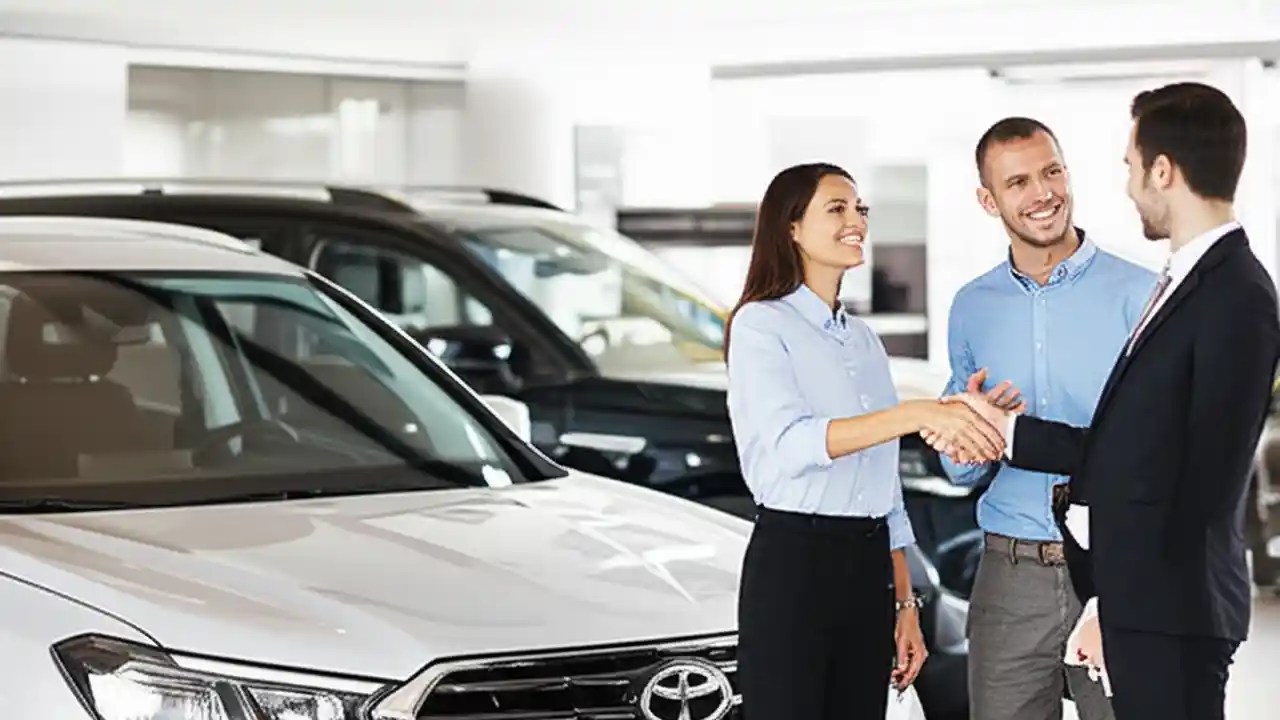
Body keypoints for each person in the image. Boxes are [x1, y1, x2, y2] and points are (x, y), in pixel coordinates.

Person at [952, 82, 1280, 720]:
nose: (1127, 186)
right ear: (990, 199)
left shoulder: (1230, 292)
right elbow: (1134, 448)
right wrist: (1004, 431)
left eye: (1130, 168)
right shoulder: (1191, 281)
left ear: (1163, 171)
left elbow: (1199, 482)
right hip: (1120, 596)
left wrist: (1108, 600)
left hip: (1161, 605)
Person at [724, 162, 1007, 720]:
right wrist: (916, 413)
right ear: (792, 228)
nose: (856, 220)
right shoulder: (760, 326)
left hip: (868, 565)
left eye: (860, 210)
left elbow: (884, 487)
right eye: (837, 209)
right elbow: (791, 444)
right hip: (794, 565)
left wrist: (906, 604)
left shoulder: (862, 340)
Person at [936, 117, 1155, 720]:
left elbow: (1160, 450)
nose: (1043, 194)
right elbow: (958, 468)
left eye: (1052, 171)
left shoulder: (1140, 295)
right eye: (1019, 182)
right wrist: (974, 435)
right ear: (989, 200)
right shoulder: (972, 307)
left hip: (1119, 569)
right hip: (1011, 575)